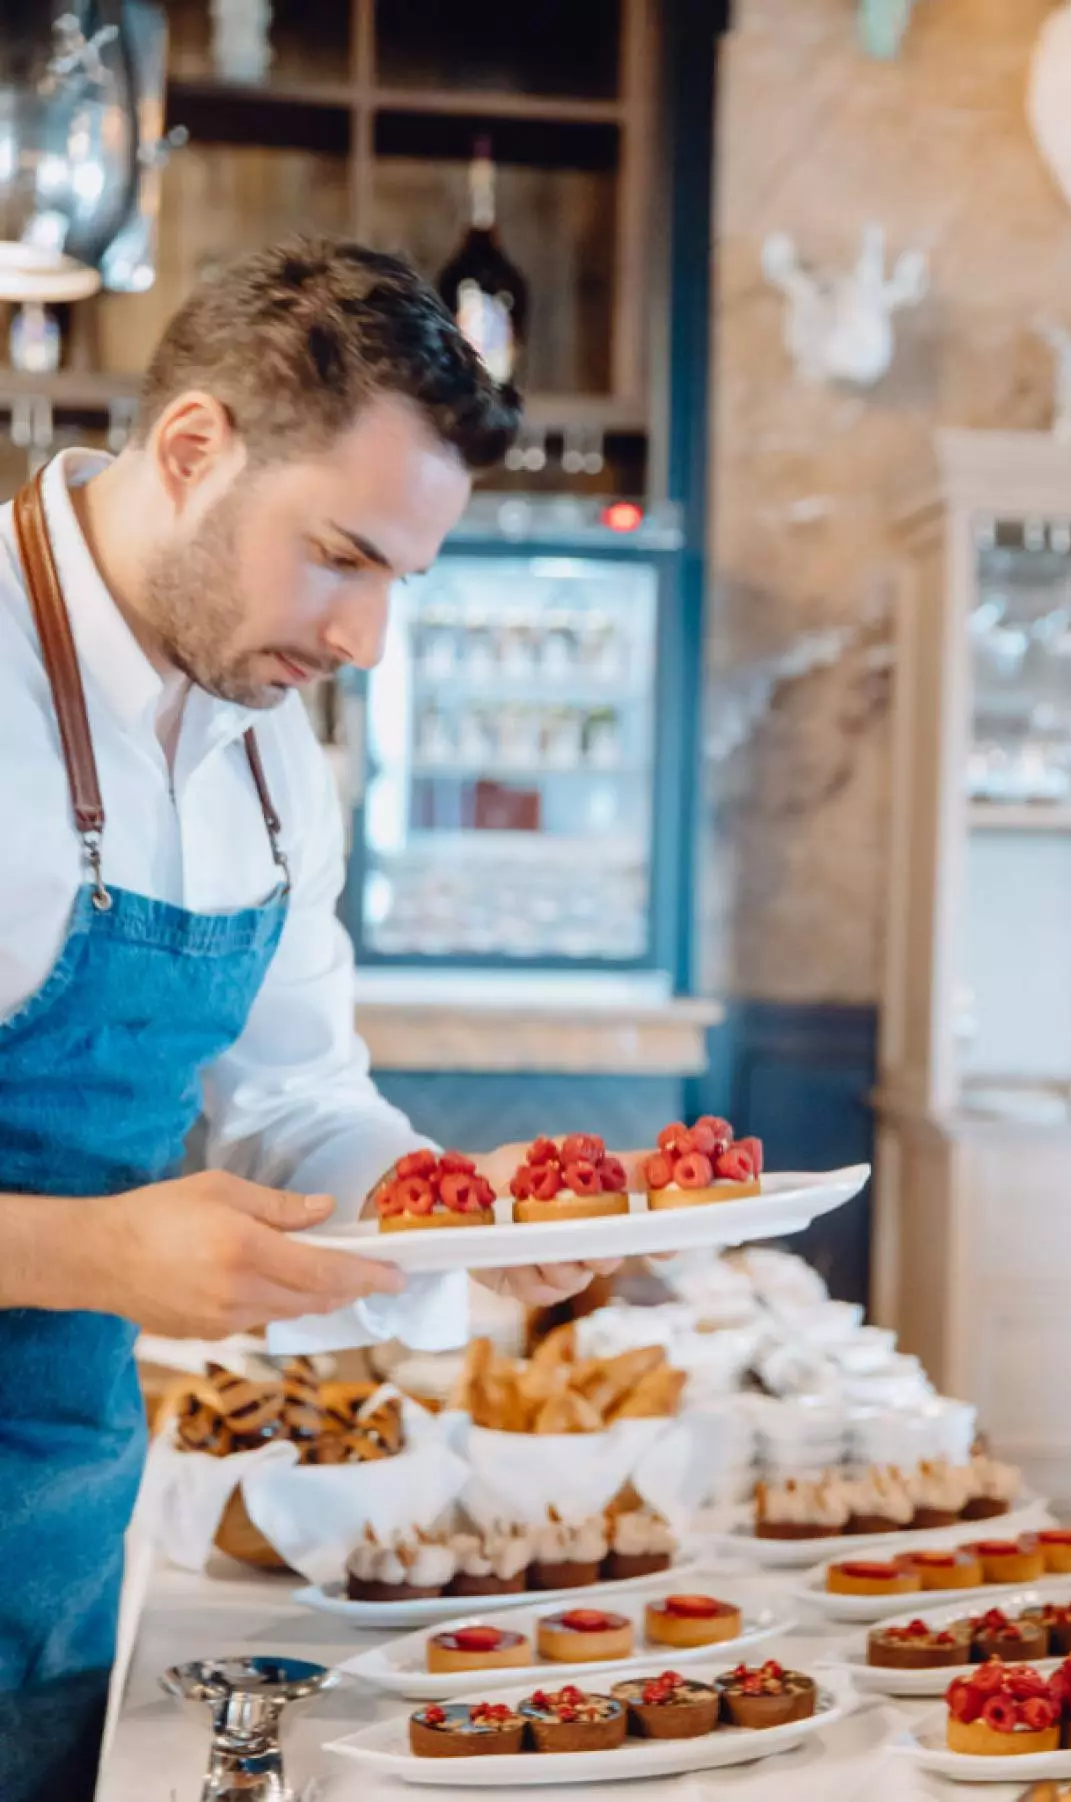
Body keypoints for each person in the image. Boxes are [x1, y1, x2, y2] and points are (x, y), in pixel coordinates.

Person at [0, 237, 619, 1799]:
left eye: (398, 584)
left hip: (55, 1536)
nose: (365, 642)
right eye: (341, 555)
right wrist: (95, 1252)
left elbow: (300, 1107)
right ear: (196, 449)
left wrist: (457, 1214)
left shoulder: (280, 755)